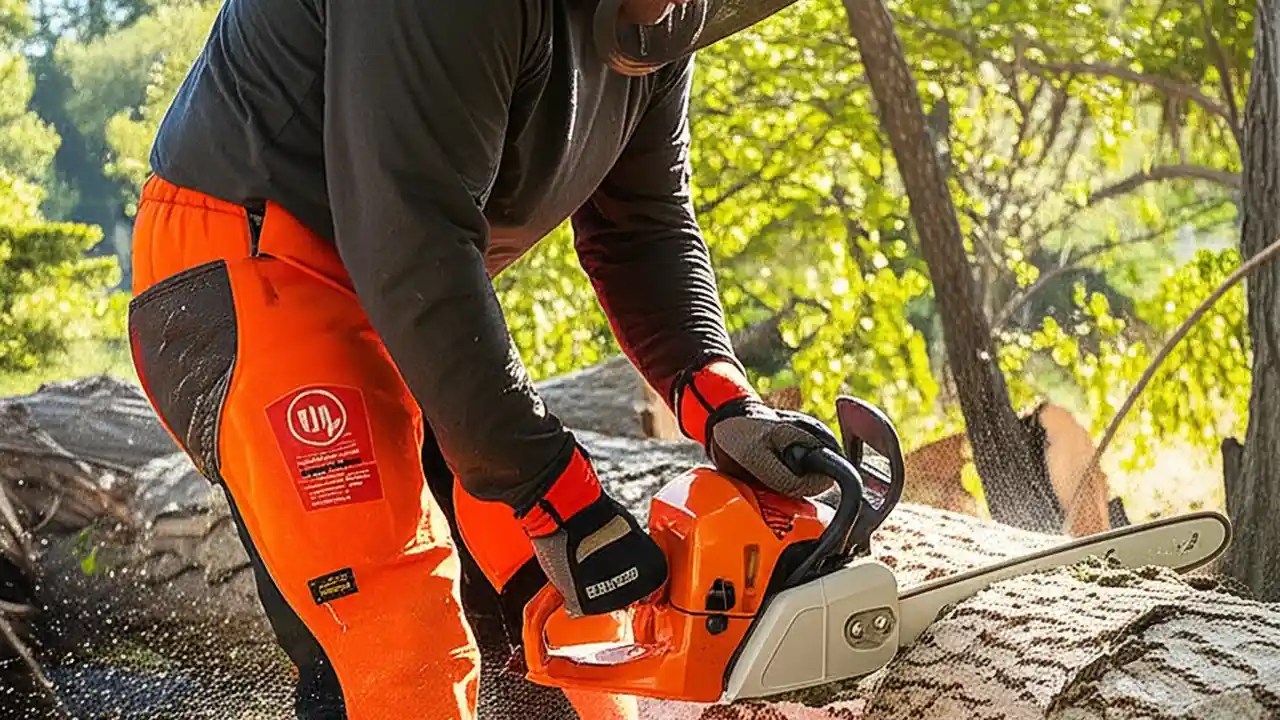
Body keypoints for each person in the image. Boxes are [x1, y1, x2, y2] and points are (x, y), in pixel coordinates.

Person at [127, 0, 833, 718]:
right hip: (261, 267)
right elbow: (410, 241)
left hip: (419, 290)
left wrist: (720, 398)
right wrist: (550, 486)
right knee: (399, 643)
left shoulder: (663, 24)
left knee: (561, 615)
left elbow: (643, 227)